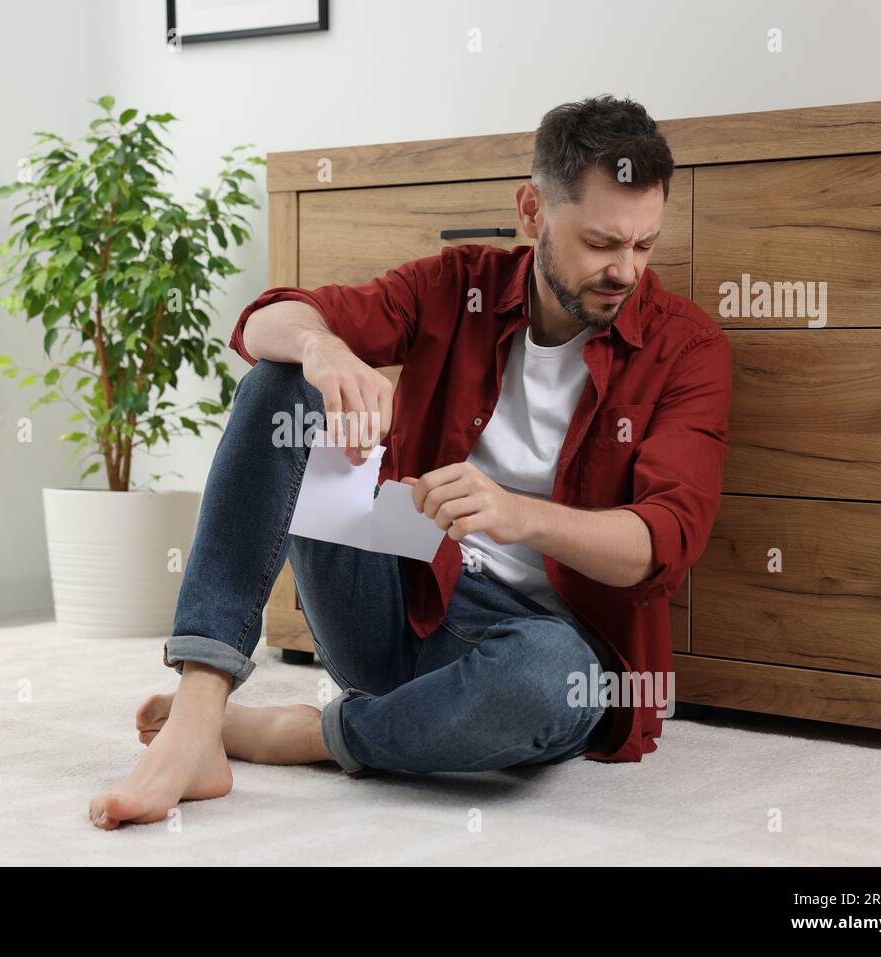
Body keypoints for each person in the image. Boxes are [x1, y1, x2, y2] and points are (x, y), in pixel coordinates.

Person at [89, 95, 732, 830]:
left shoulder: (688, 349)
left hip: (540, 649)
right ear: (531, 210)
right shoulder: (458, 285)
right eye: (600, 242)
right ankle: (199, 718)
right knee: (281, 381)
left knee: (553, 682)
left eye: (643, 246)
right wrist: (321, 347)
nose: (625, 271)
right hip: (400, 600)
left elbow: (662, 542)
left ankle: (308, 733)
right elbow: (265, 319)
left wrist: (518, 514)